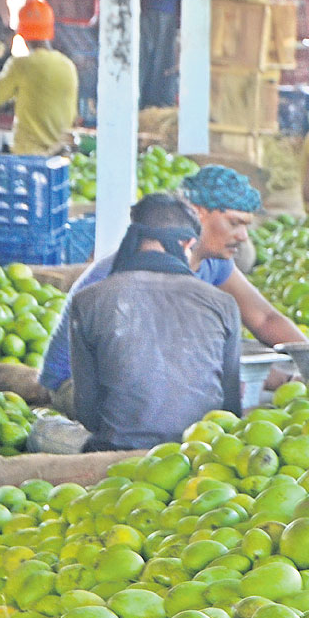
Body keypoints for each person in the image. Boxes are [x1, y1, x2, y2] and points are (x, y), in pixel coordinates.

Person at [39, 165, 307, 414]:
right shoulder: (141, 268)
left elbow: (264, 318)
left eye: (246, 225)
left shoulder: (214, 262)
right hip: (80, 383)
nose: (243, 236)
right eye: (234, 223)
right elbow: (153, 359)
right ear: (196, 214)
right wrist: (279, 379)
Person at [67, 193, 242, 452]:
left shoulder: (88, 300)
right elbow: (230, 407)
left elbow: (87, 411)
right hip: (198, 453)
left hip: (117, 452)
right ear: (187, 243)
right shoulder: (222, 303)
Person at [0, 0, 79, 156]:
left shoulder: (21, 64)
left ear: (23, 34)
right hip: (59, 154)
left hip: (28, 156)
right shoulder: (68, 66)